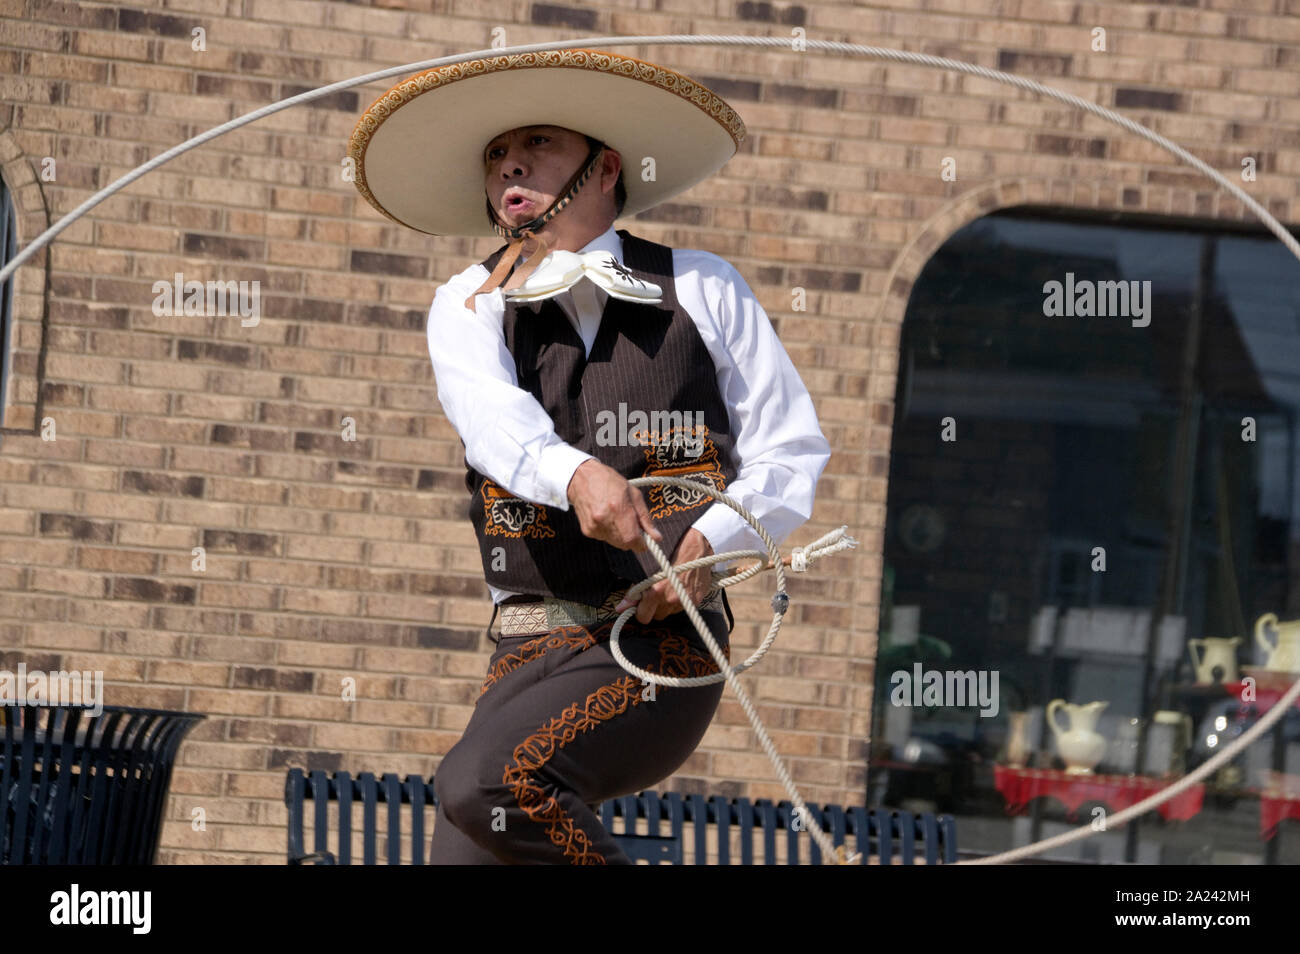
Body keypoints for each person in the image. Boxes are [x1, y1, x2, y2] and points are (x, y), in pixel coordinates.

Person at [348, 48, 831, 864]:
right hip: (526, 647)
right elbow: (491, 422)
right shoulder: (468, 306)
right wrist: (574, 473)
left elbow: (790, 452)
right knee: (469, 831)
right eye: (498, 154)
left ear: (605, 168)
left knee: (485, 785)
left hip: (661, 642)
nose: (511, 163)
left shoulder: (705, 287)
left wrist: (713, 544)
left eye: (537, 142)